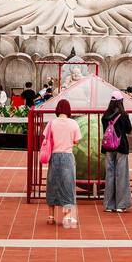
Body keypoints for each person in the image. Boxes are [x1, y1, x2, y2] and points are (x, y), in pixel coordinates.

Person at [43, 97, 81, 228]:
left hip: (54, 156)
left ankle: (51, 216)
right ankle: (67, 217)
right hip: (67, 157)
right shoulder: (73, 123)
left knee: (52, 184)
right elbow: (77, 141)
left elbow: (46, 138)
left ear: (58, 109)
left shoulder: (51, 123)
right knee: (68, 186)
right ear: (68, 110)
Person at [101, 94, 132, 213]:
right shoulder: (123, 115)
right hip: (121, 146)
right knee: (121, 175)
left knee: (109, 175)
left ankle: (109, 205)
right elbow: (129, 130)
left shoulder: (105, 116)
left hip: (108, 147)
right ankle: (121, 204)